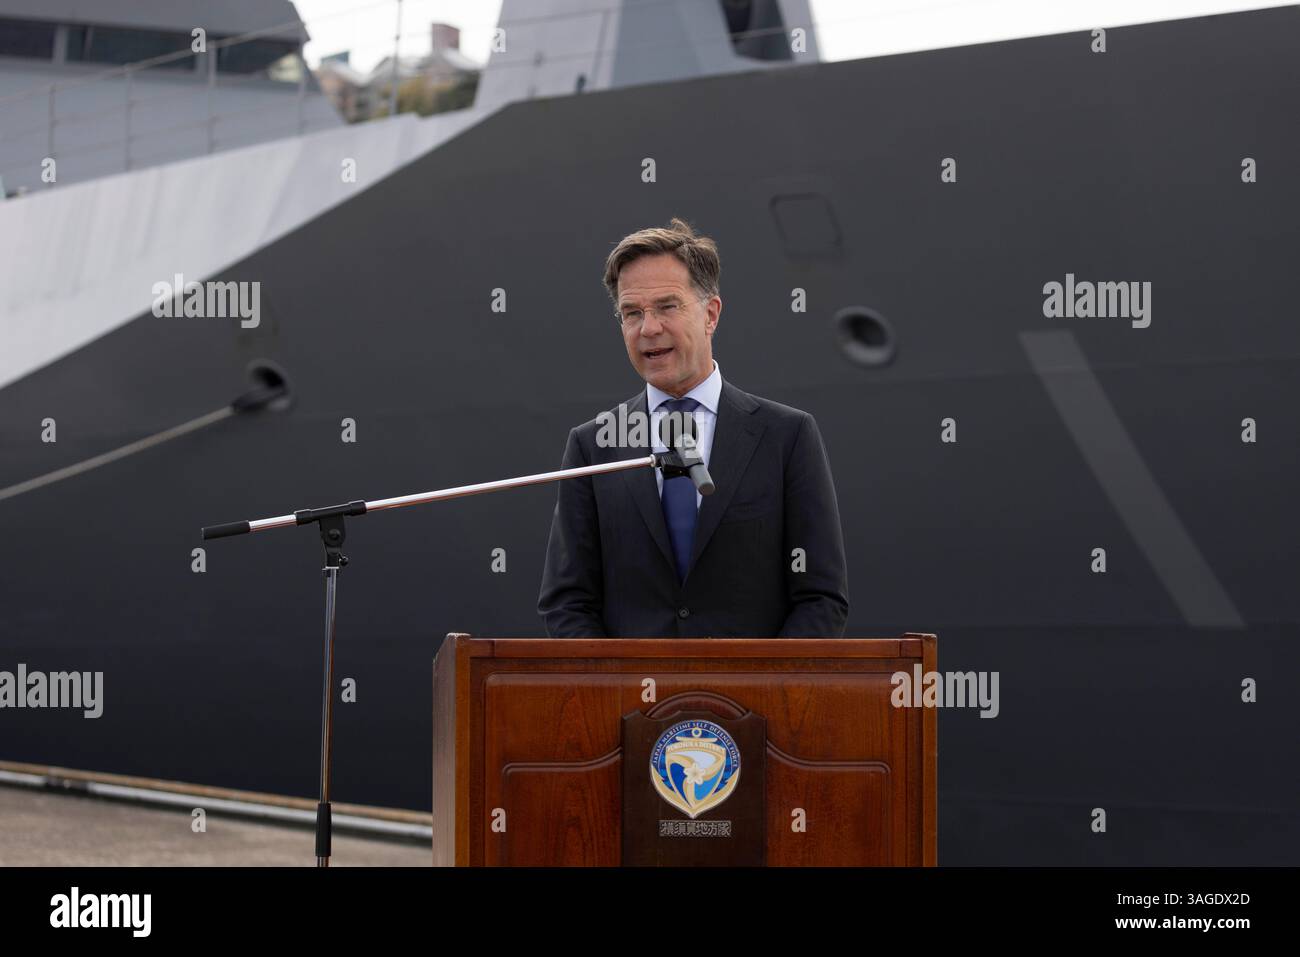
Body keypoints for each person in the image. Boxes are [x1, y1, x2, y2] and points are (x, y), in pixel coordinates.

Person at [538, 217, 848, 637]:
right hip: (629, 701)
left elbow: (820, 598)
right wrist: (618, 694)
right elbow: (567, 603)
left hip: (753, 701)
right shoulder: (593, 446)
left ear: (711, 313)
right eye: (632, 313)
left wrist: (762, 693)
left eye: (667, 306)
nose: (648, 328)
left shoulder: (786, 437)